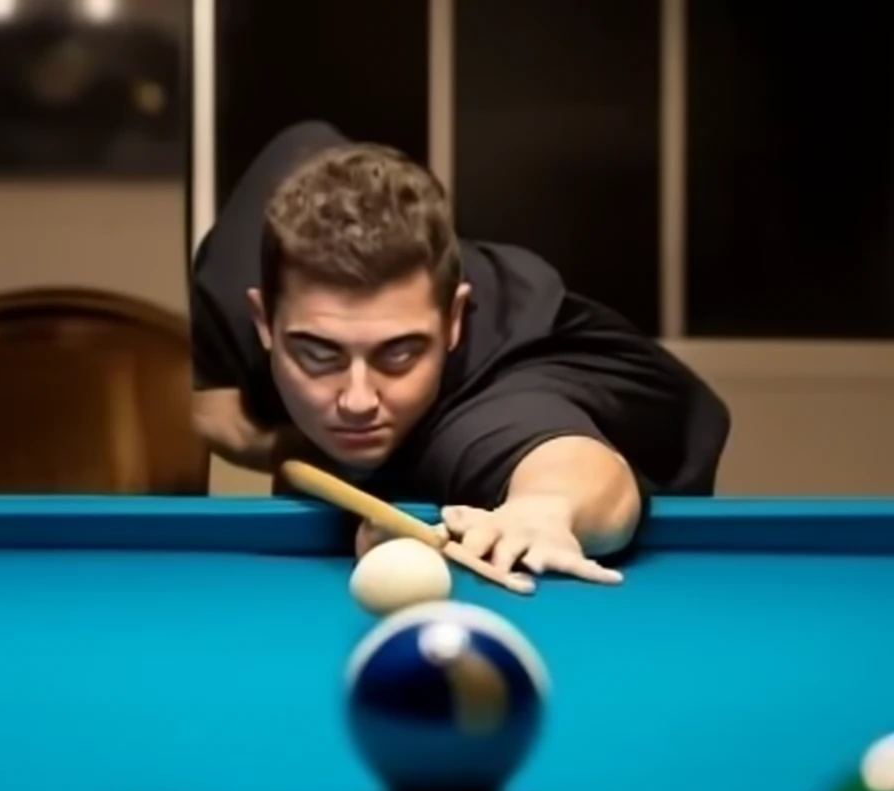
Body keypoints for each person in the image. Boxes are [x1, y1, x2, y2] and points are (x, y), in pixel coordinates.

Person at [189, 122, 730, 584]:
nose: (357, 400)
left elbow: (575, 470)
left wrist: (540, 513)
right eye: (318, 353)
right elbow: (213, 413)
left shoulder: (485, 416)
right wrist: (299, 446)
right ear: (263, 321)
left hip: (641, 418)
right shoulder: (234, 270)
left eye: (398, 353)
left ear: (451, 322)